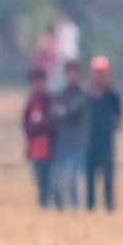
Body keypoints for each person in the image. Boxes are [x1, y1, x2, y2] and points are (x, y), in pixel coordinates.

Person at [49, 59, 92, 211]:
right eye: (69, 73)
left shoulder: (83, 94)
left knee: (73, 178)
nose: (72, 76)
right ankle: (59, 207)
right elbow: (53, 113)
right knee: (57, 178)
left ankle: (74, 207)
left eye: (74, 73)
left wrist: (64, 111)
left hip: (77, 142)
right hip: (61, 142)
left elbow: (72, 110)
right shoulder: (59, 94)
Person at [85, 56, 123, 212]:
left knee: (108, 178)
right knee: (89, 179)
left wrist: (110, 128)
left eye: (102, 72)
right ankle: (90, 209)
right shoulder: (86, 94)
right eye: (97, 72)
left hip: (106, 143)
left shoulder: (113, 96)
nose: (99, 76)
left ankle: (109, 208)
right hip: (89, 142)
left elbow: (119, 117)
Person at [21, 67, 55, 210]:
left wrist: (38, 125)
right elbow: (26, 127)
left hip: (50, 149)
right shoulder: (30, 103)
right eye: (35, 82)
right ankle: (43, 207)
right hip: (35, 150)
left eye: (40, 82)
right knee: (40, 182)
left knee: (51, 182)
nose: (37, 85)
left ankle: (51, 207)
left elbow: (52, 124)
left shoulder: (50, 101)